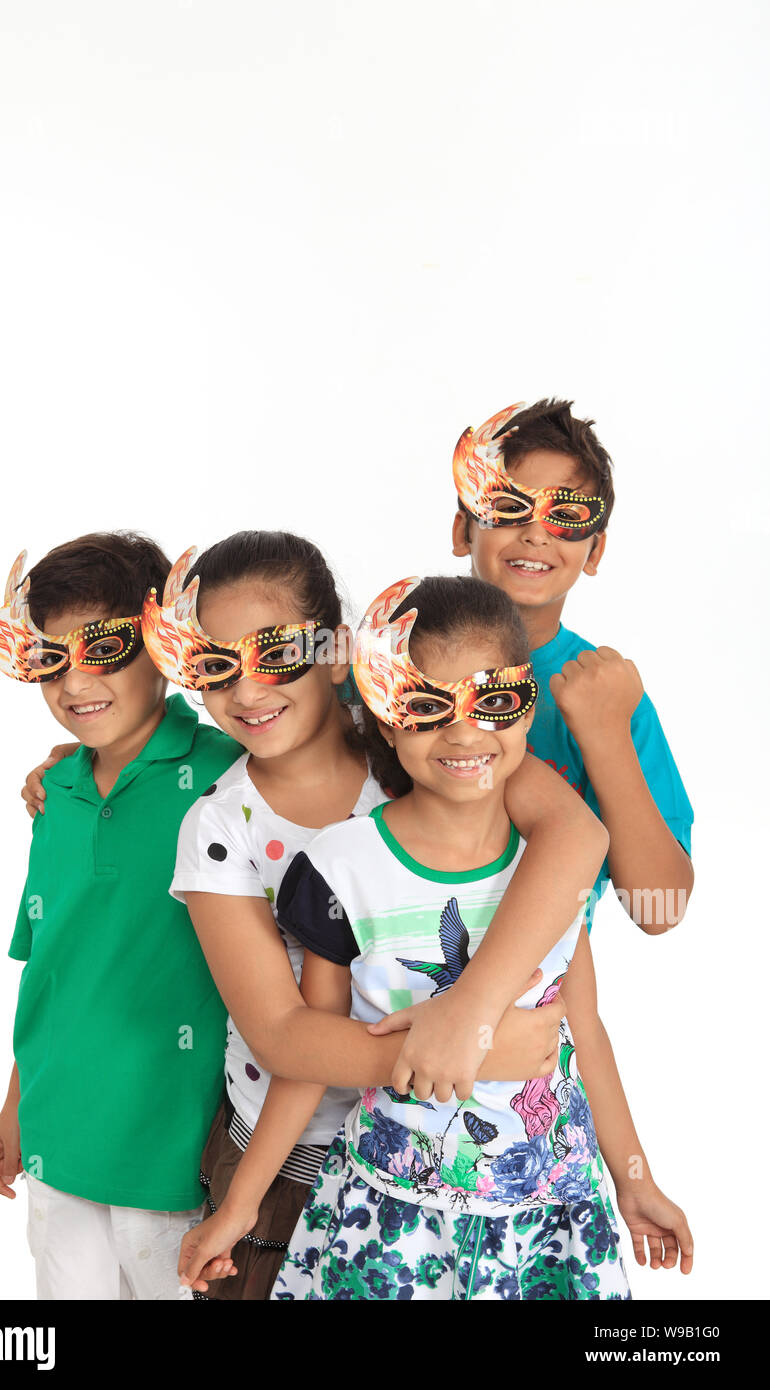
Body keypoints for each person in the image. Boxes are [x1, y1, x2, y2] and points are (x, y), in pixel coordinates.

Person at [146, 532, 611, 1297]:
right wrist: (475, 1049)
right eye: (216, 668)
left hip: (470, 1159)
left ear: (338, 654)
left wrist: (472, 1010)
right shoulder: (219, 829)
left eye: (277, 653)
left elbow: (578, 835)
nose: (250, 688)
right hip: (287, 1162)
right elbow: (284, 1036)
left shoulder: (431, 743)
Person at [267, 574, 691, 1298]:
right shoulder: (345, 867)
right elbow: (302, 1049)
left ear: (526, 711)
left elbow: (583, 1029)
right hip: (390, 1216)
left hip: (550, 1216)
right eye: (429, 709)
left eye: (493, 704)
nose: (464, 732)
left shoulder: (546, 877)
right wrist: (242, 1204)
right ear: (386, 716)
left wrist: (635, 1178)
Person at [0, 532, 243, 1300]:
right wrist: (14, 1106)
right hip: (58, 1144)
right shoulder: (54, 796)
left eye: (102, 649)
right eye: (49, 661)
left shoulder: (230, 774)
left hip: (177, 1157)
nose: (75, 682)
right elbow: (54, 969)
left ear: (159, 645)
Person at [451, 399, 694, 935]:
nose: (536, 533)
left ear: (594, 549)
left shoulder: (608, 695)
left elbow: (660, 907)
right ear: (462, 529)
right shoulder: (394, 656)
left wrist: (605, 736)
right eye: (507, 505)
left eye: (565, 516)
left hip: (545, 987)